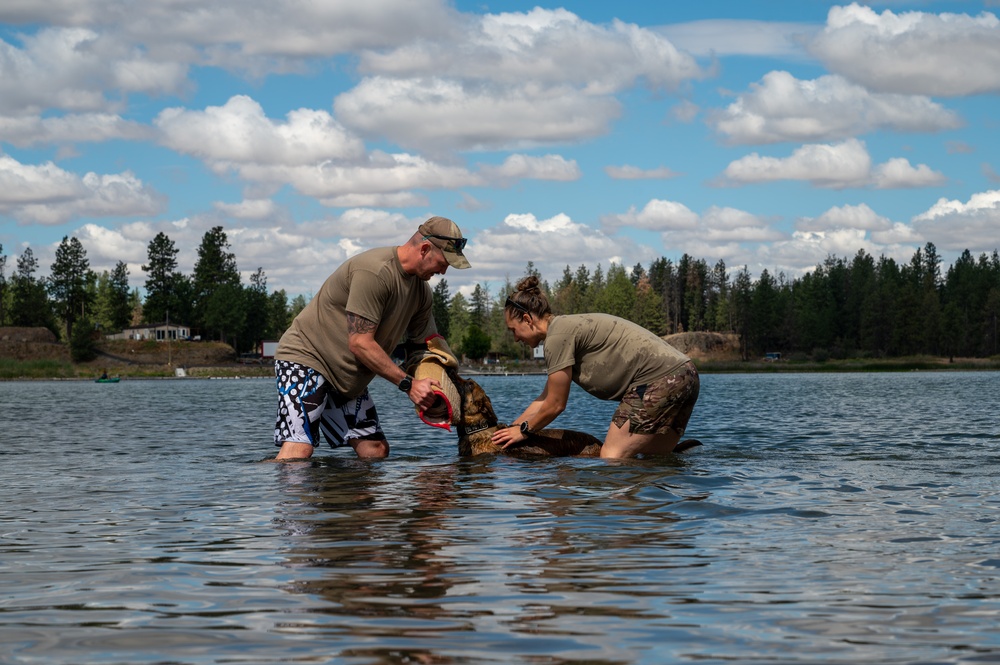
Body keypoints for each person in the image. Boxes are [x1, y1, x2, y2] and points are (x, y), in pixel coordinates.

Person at [272, 216, 471, 461]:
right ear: (425, 249)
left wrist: (439, 390)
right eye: (443, 263)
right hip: (307, 359)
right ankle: (260, 487)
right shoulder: (375, 272)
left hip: (346, 377)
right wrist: (409, 385)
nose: (443, 271)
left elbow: (423, 348)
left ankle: (340, 497)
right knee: (298, 454)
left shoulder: (421, 293)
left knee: (374, 452)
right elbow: (360, 343)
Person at [491, 275, 699, 459]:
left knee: (611, 456)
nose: (516, 338)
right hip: (687, 374)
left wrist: (525, 430)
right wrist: (509, 430)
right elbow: (545, 398)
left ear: (527, 320)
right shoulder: (563, 329)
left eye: (513, 330)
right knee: (657, 460)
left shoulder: (557, 337)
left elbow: (555, 405)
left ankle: (626, 504)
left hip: (659, 379)